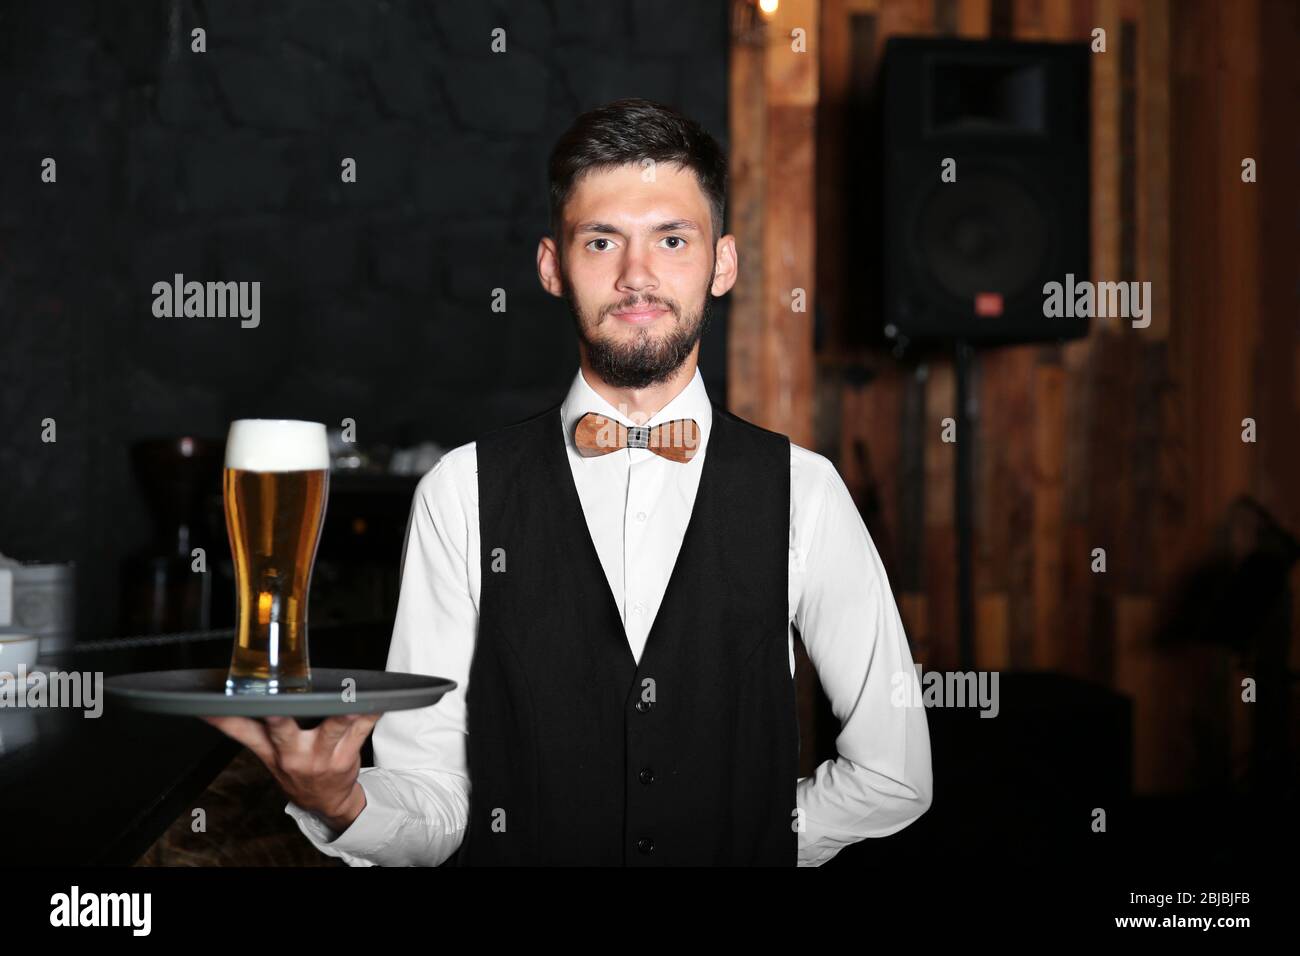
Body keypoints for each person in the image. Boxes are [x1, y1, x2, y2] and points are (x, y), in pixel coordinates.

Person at [204, 97, 932, 866]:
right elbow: (437, 798)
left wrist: (757, 839)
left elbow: (894, 774)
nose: (637, 276)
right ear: (553, 266)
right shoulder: (459, 492)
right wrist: (341, 802)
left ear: (722, 264)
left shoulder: (805, 493)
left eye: (673, 239)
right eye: (601, 241)